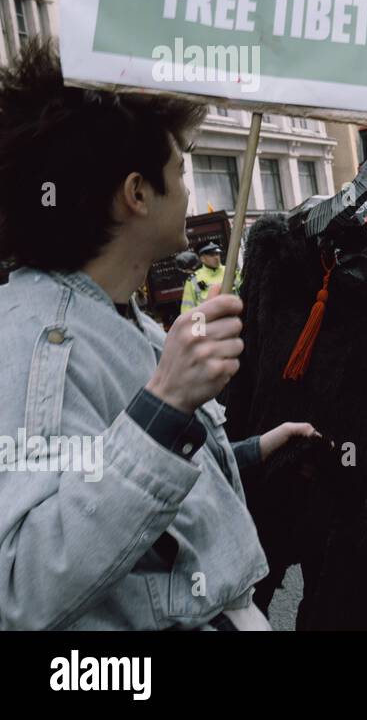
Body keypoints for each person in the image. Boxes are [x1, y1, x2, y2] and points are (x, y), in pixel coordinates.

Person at [0, 39, 316, 630]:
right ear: (137, 194)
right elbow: (21, 583)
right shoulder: (42, 341)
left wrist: (251, 452)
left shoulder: (120, 317)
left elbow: (142, 508)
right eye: (181, 168)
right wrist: (165, 404)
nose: (190, 188)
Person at [179, 241, 231, 312]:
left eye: (217, 253)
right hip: (210, 320)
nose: (216, 257)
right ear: (202, 259)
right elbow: (187, 309)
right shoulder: (193, 279)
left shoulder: (230, 271)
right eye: (212, 255)